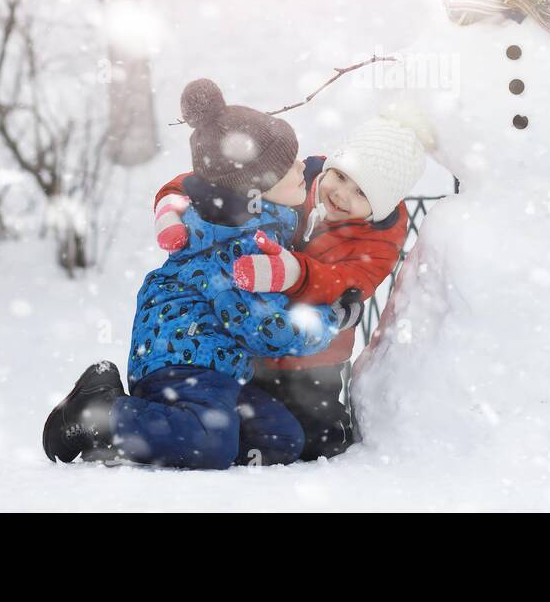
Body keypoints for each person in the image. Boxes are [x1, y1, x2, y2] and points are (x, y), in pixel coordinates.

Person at [42, 79, 362, 469]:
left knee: (281, 438)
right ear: (254, 187)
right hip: (180, 365)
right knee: (211, 444)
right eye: (287, 165)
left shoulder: (259, 226)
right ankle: (99, 413)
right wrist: (334, 320)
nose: (301, 168)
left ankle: (151, 436)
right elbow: (268, 331)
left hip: (221, 372)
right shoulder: (242, 251)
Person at [152, 113, 426, 460]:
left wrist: (293, 273)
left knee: (321, 442)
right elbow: (220, 178)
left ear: (380, 206)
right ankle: (207, 435)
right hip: (250, 343)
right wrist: (172, 202)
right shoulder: (293, 177)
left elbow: (349, 282)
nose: (340, 193)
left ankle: (227, 439)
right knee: (255, 421)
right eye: (340, 175)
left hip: (314, 357)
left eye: (361, 192)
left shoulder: (380, 237)